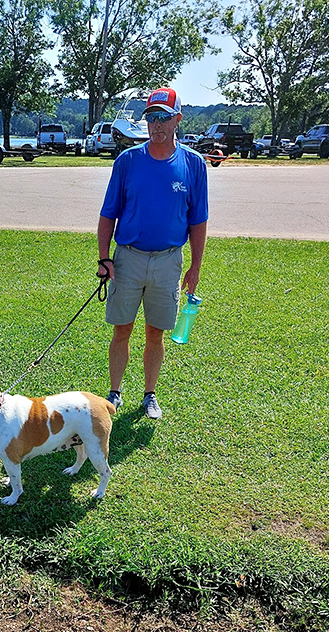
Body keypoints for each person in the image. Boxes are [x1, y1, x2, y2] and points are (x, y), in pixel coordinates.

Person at [97, 87, 208, 419]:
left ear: (177, 120)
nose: (157, 125)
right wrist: (104, 257)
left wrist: (195, 267)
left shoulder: (193, 164)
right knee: (122, 328)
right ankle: (114, 393)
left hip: (168, 260)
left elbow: (198, 221)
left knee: (155, 332)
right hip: (128, 257)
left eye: (164, 118)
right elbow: (108, 215)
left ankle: (149, 395)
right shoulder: (127, 161)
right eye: (151, 118)